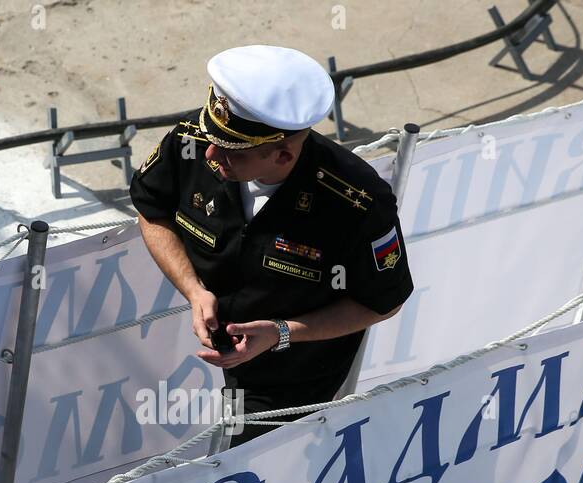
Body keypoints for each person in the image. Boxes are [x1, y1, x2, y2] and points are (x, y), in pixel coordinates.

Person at [129, 44, 414, 448]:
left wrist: (281, 333)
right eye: (212, 138)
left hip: (290, 378)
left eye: (230, 151)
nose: (210, 154)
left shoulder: (356, 202)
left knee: (244, 481)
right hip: (187, 351)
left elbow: (383, 301)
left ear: (282, 156)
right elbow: (151, 209)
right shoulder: (194, 141)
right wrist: (194, 290)